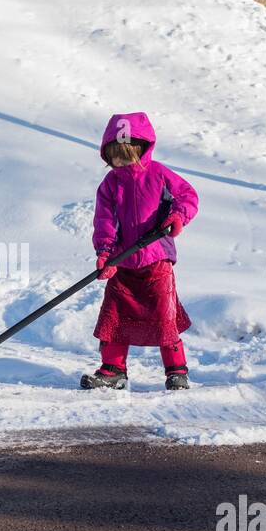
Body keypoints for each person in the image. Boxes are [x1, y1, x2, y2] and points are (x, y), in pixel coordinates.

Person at [82, 112, 199, 391]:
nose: (120, 162)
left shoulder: (159, 174)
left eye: (126, 155)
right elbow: (105, 222)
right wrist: (105, 253)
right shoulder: (110, 185)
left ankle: (176, 370)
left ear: (142, 149)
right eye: (115, 156)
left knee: (163, 316)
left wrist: (177, 216)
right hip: (123, 264)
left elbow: (187, 196)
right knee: (114, 316)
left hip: (156, 259)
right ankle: (113, 370)